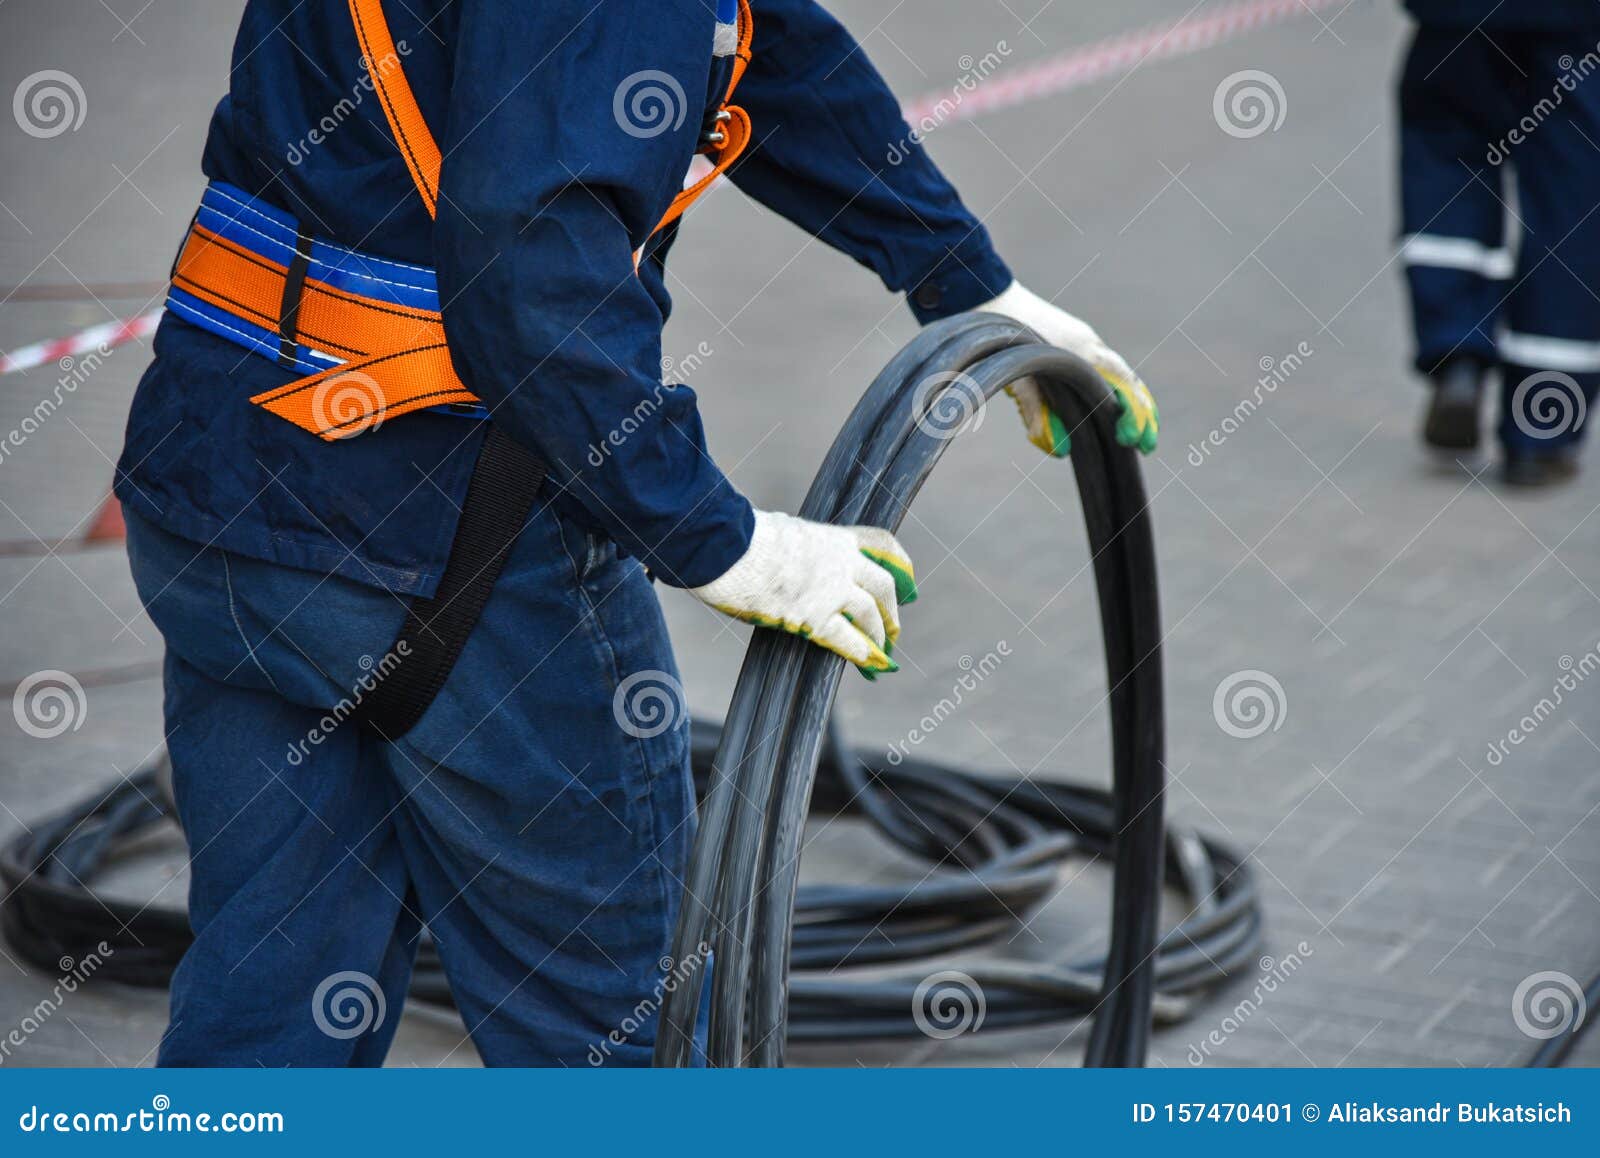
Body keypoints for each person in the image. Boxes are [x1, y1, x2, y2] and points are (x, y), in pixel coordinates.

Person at [116, 0, 1157, 1066]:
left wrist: (963, 275)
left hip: (219, 493)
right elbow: (528, 266)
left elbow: (758, 42)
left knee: (271, 1006)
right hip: (450, 549)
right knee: (613, 1041)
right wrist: (718, 538)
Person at [1399, 0, 1600, 485]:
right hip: (1576, 25)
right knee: (1571, 202)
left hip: (1457, 15)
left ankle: (1457, 352)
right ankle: (1542, 429)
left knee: (1445, 154)